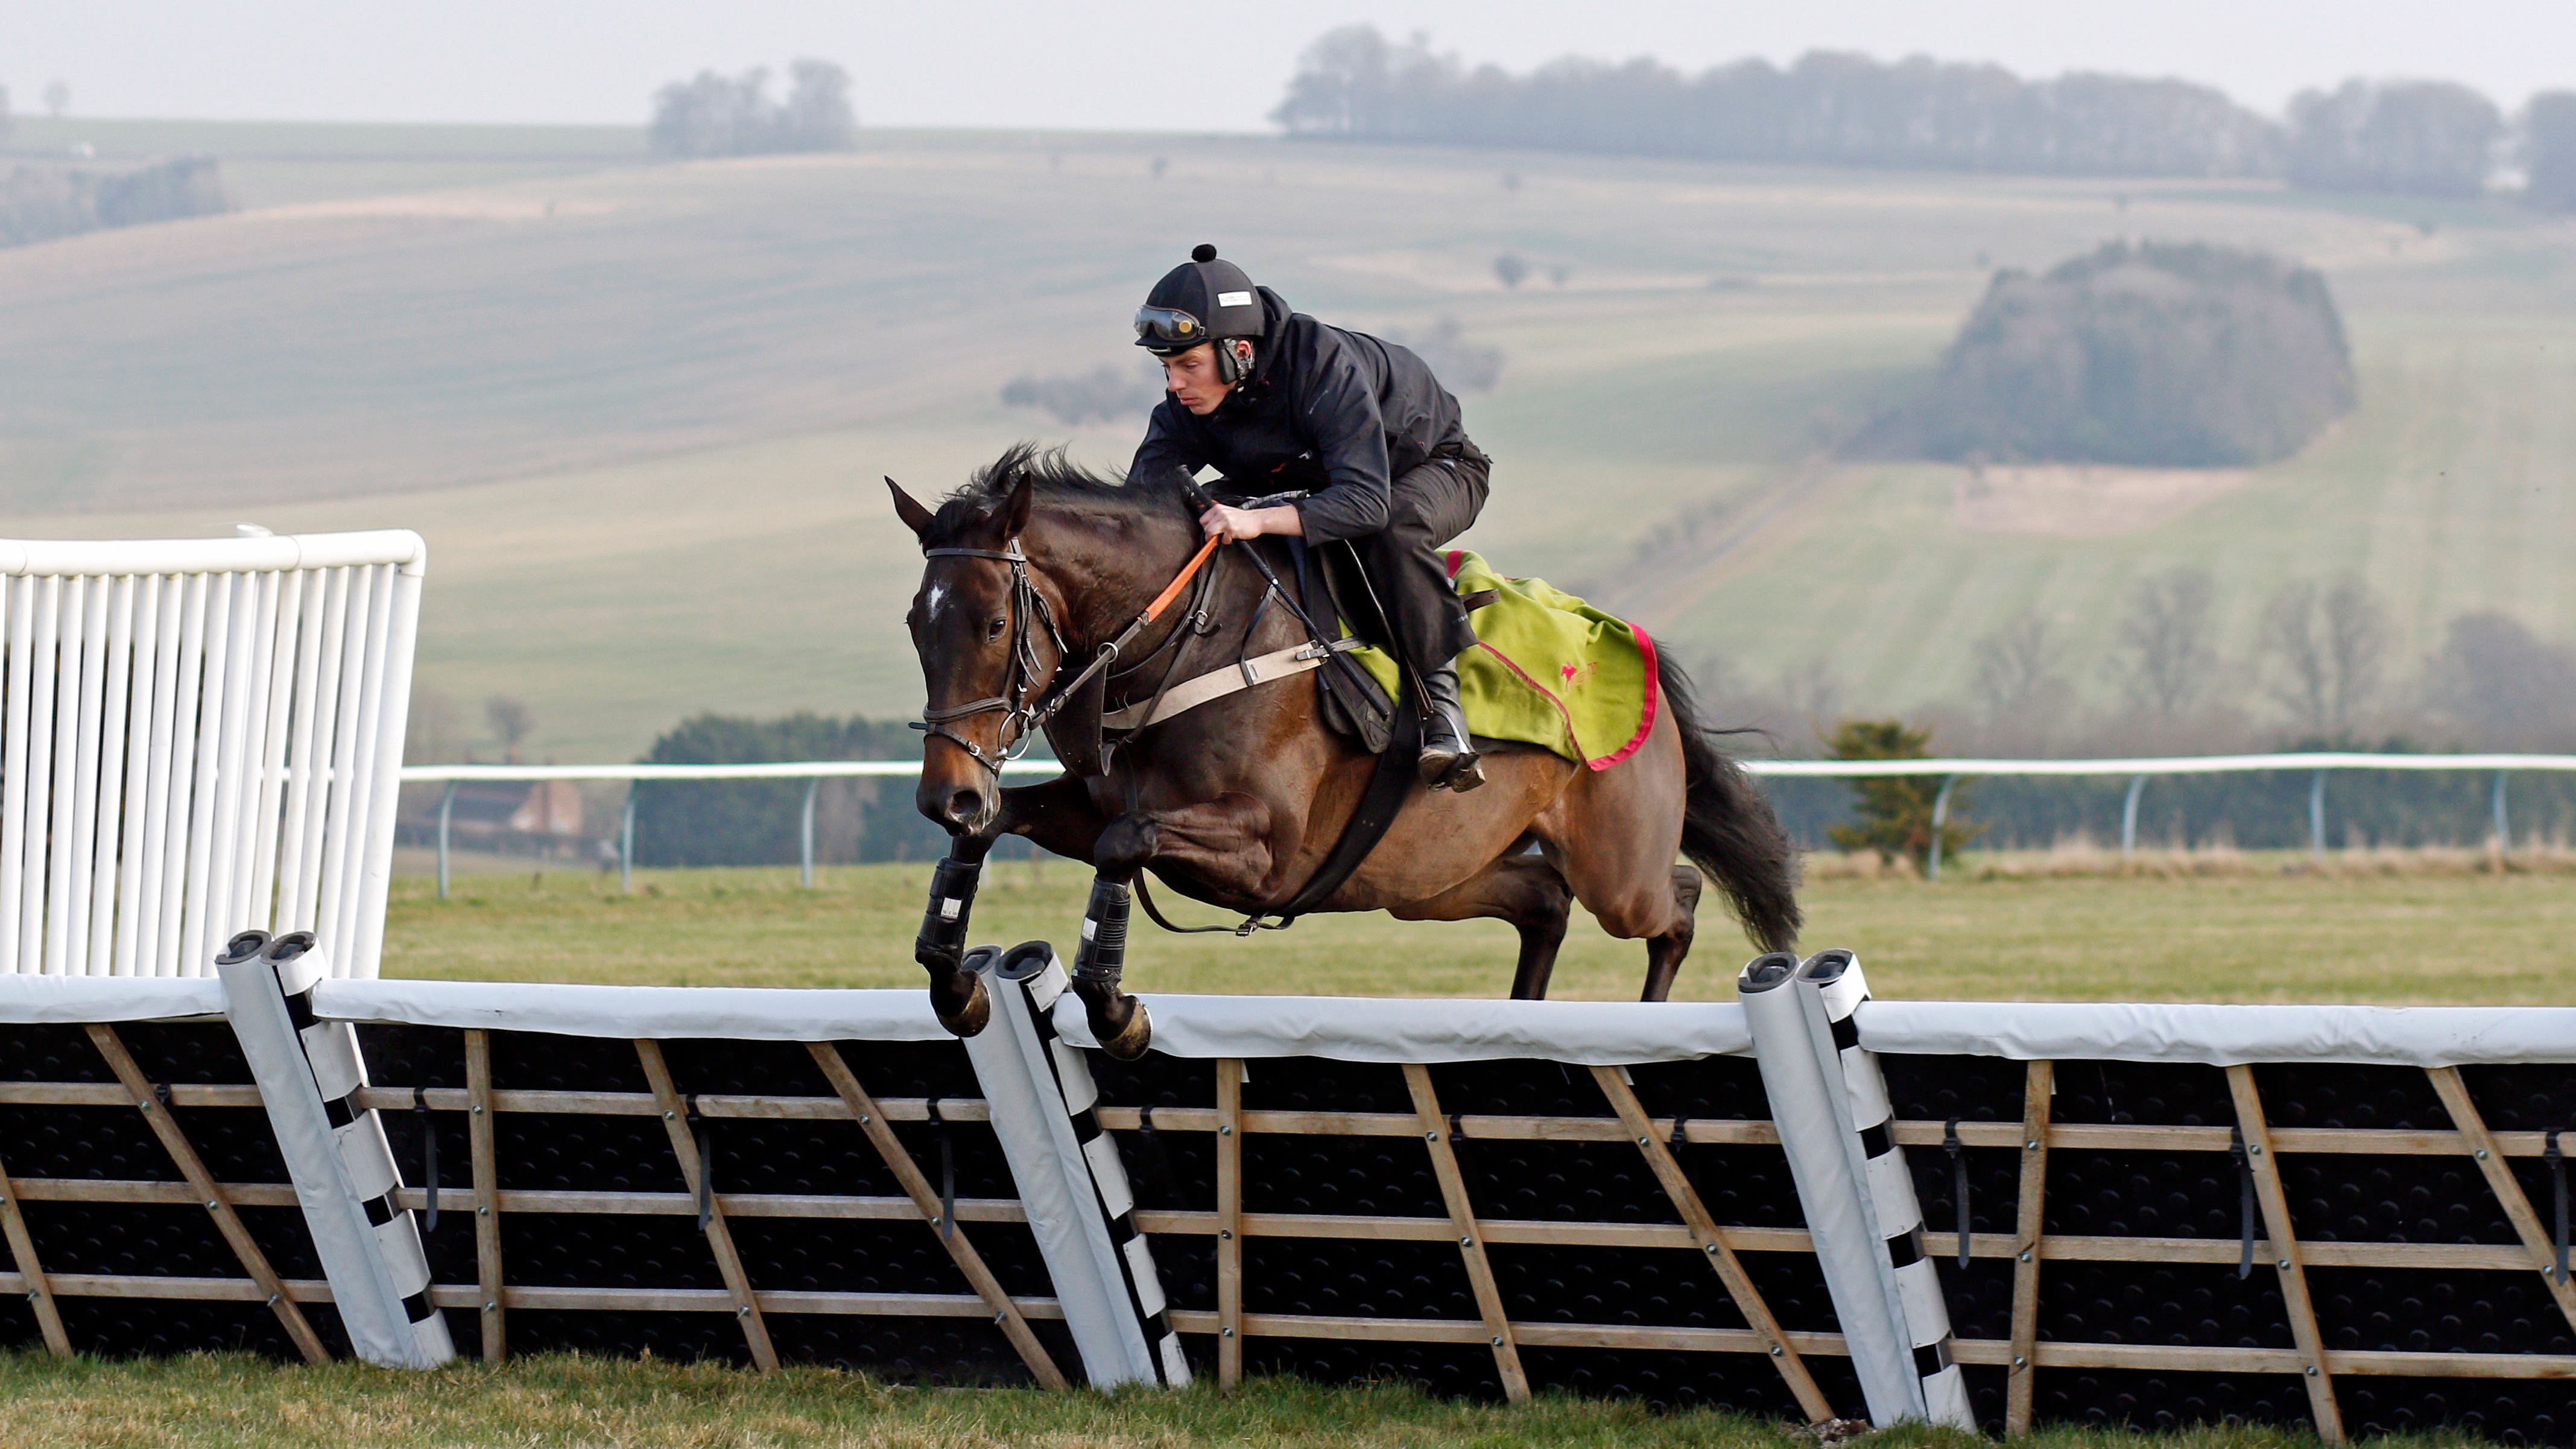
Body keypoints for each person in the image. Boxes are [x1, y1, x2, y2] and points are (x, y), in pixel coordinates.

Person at [1128, 244, 1492, 791]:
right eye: (1166, 368)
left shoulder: (1320, 364)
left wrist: (1258, 520)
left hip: (1425, 472)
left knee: (1392, 526)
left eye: (1188, 366)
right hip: (1310, 480)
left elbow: (1365, 503)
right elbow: (1142, 508)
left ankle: (1443, 713)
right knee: (1195, 515)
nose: (1175, 385)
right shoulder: (1190, 402)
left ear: (1239, 354)